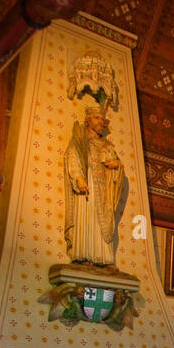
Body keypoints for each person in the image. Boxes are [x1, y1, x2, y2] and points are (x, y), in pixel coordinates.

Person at [65, 103, 128, 269]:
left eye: (102, 119)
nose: (101, 121)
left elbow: (118, 165)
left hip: (104, 188)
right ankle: (82, 255)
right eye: (97, 118)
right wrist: (78, 178)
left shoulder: (107, 146)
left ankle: (104, 258)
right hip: (87, 187)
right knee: (86, 219)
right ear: (88, 121)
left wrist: (116, 165)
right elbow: (73, 157)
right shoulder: (80, 141)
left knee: (104, 221)